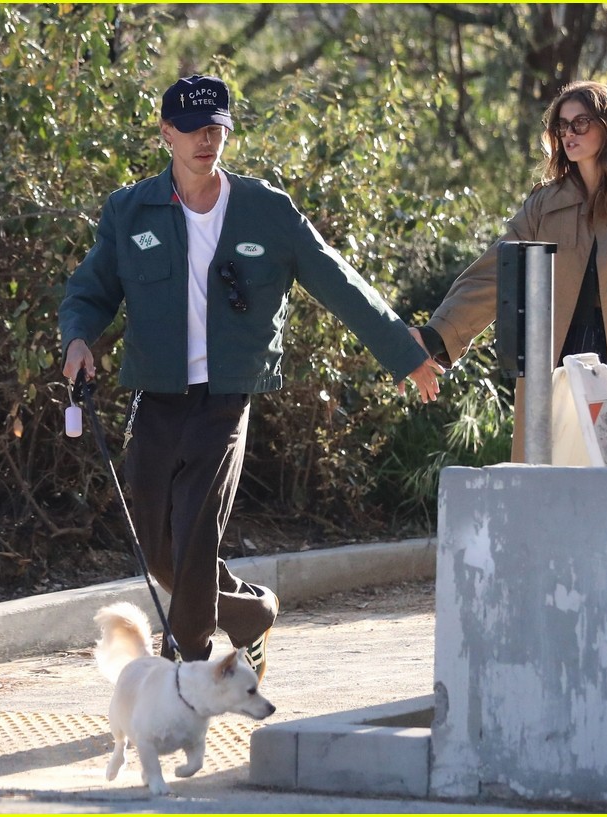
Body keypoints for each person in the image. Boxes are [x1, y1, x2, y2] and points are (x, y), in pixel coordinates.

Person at [59, 74, 443, 679]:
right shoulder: (129, 210)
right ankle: (250, 613)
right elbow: (90, 290)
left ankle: (186, 672)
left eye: (216, 129)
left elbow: (338, 282)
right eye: (193, 130)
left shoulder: (266, 210)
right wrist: (78, 339)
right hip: (157, 392)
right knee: (158, 545)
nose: (206, 141)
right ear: (166, 133)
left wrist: (404, 352)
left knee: (194, 529)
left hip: (226, 396)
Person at [412, 80, 607, 462]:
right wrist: (437, 335)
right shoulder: (545, 204)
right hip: (557, 360)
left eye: (581, 123)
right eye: (562, 125)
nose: (569, 133)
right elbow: (494, 273)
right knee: (556, 467)